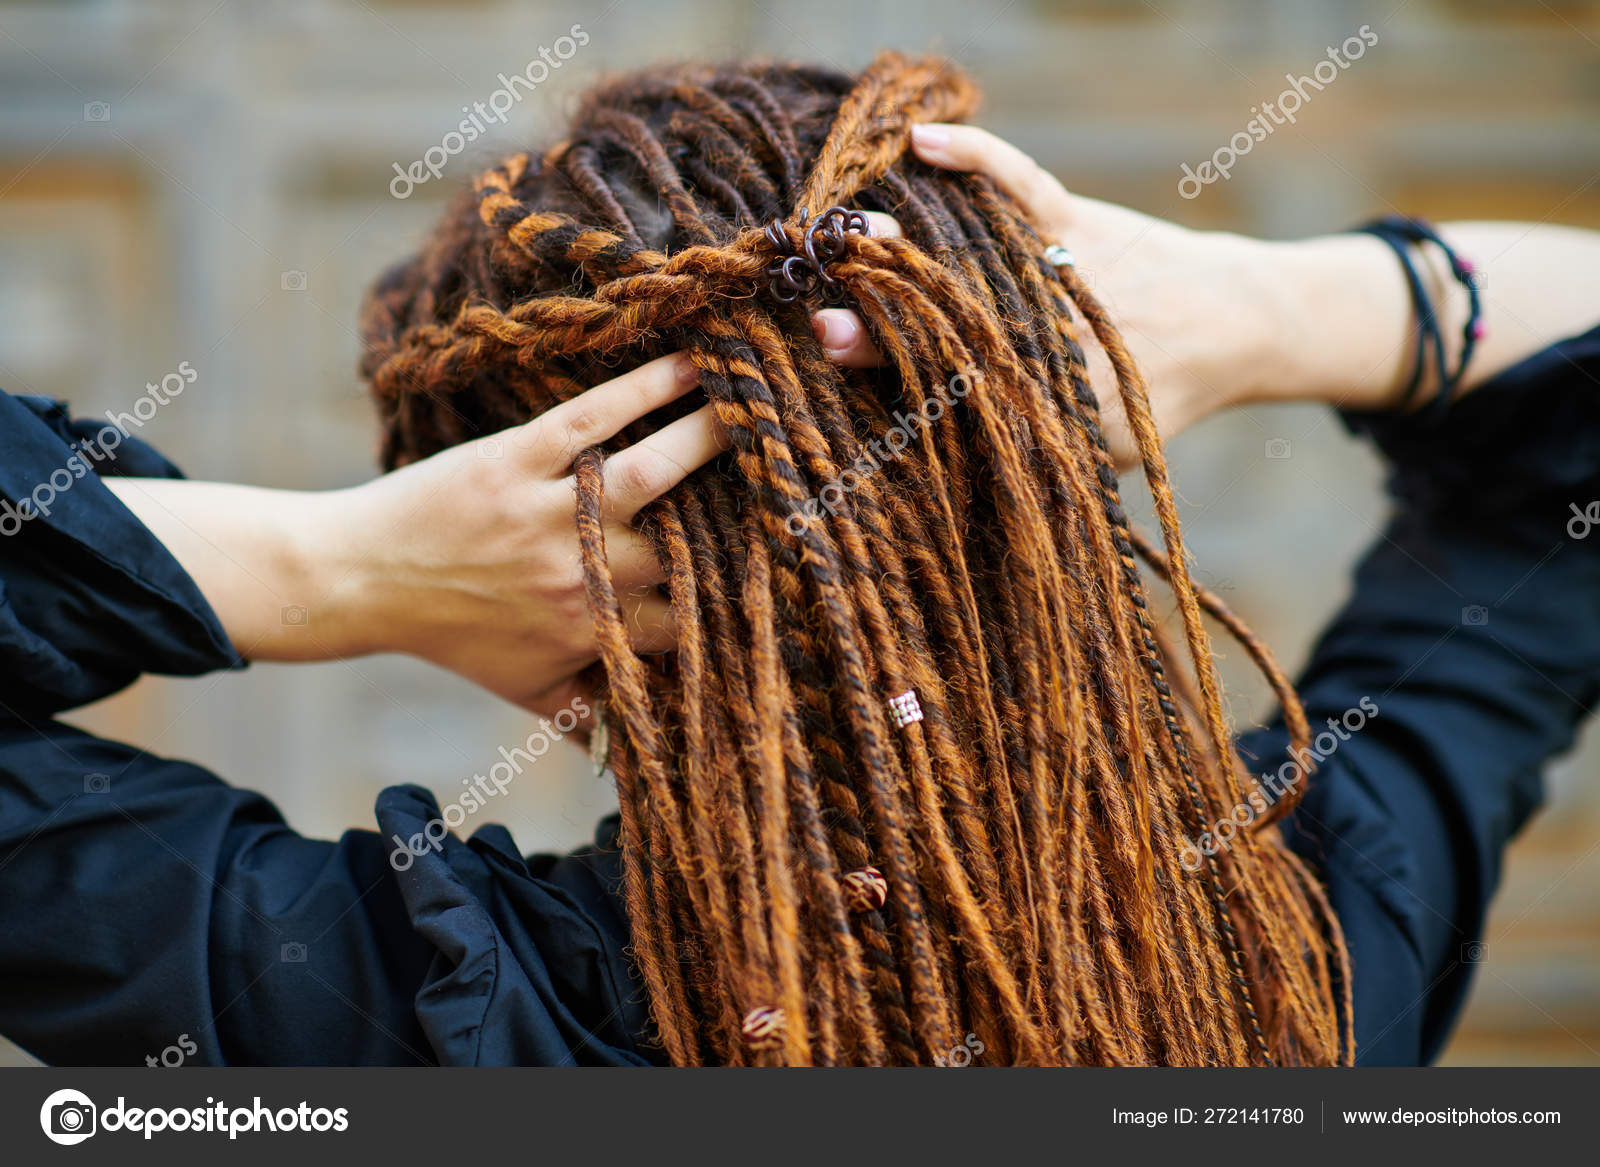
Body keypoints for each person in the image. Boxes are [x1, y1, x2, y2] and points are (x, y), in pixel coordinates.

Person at [1, 53, 1596, 1066]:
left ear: (560, 628)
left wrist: (339, 574)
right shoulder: (1314, 943)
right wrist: (1263, 312)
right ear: (1051, 465)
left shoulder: (394, 1017)